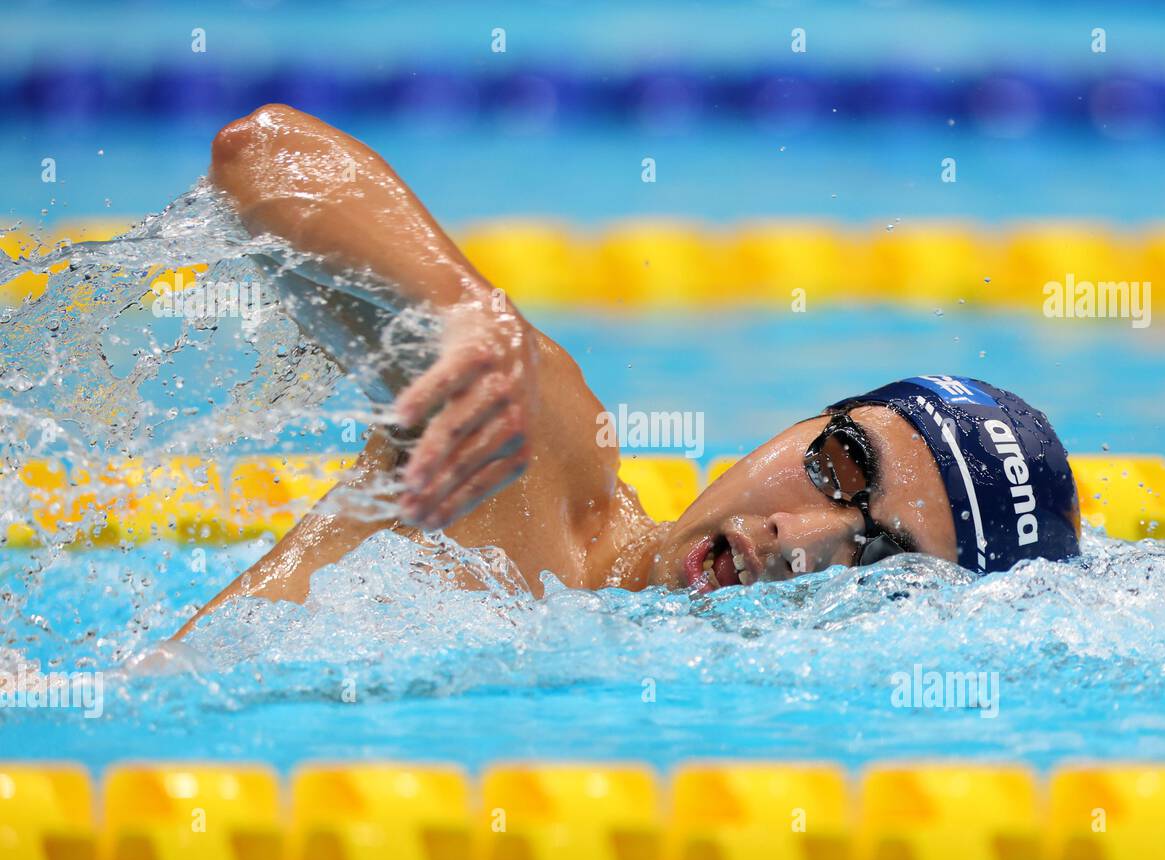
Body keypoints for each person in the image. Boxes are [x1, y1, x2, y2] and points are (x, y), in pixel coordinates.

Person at [172, 104, 1080, 640]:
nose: (798, 539)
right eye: (841, 465)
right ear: (804, 421)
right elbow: (260, 152)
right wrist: (457, 306)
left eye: (881, 560)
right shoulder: (527, 455)